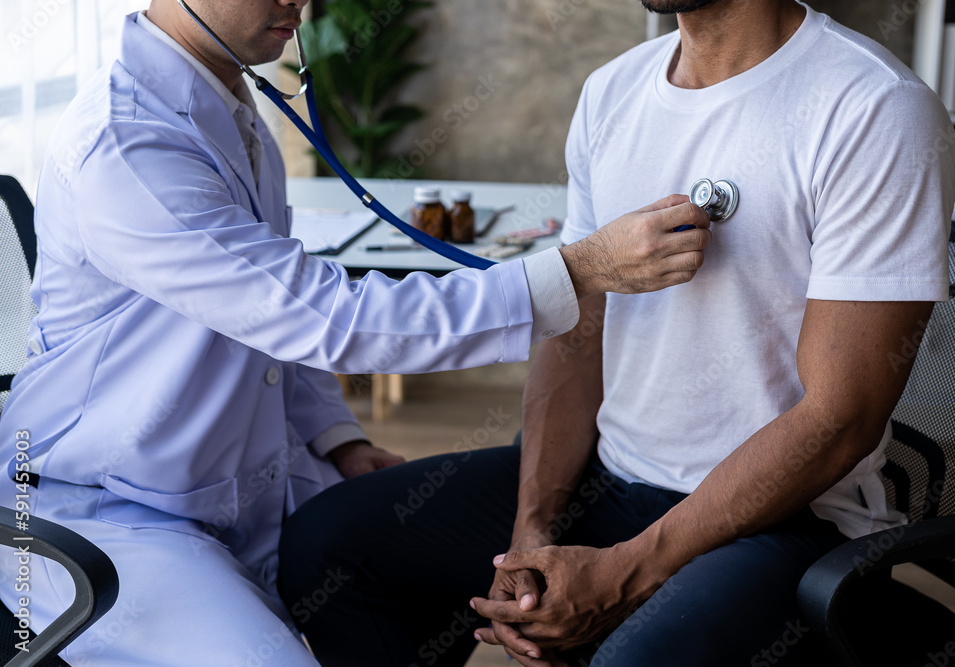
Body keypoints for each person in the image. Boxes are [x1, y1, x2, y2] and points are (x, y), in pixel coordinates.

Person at [0, 0, 713, 664]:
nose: (298, 1)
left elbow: (268, 313)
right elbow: (324, 317)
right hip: (106, 506)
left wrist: (338, 437)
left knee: (403, 562)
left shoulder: (226, 101)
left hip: (226, 479)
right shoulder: (129, 145)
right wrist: (581, 269)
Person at [277, 0, 955, 665]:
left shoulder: (874, 107)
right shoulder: (614, 92)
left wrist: (627, 572)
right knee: (328, 544)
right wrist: (530, 532)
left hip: (790, 522)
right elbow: (575, 335)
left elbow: (839, 416)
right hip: (615, 481)